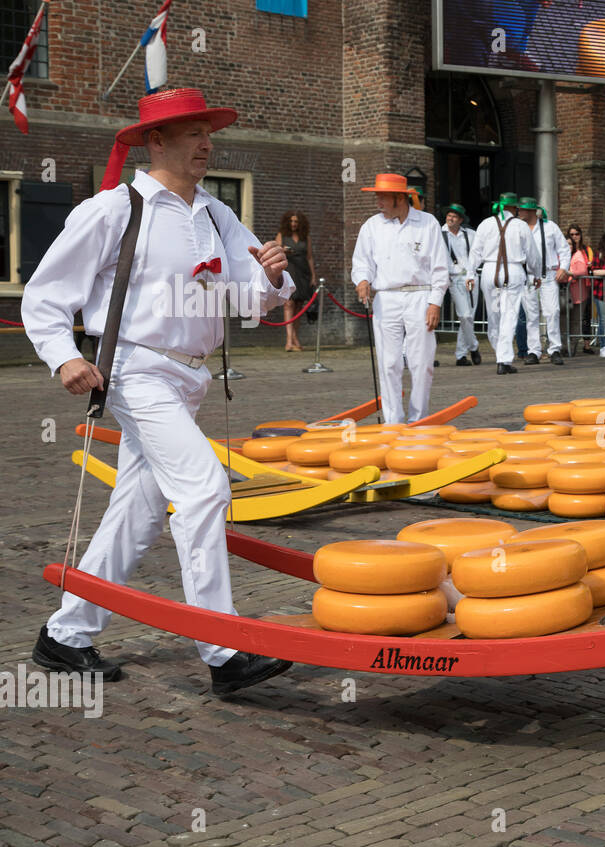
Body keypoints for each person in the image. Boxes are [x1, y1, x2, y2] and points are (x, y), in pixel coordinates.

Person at [23, 87, 295, 694]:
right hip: (135, 371)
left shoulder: (219, 214)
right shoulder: (115, 209)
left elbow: (248, 299)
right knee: (203, 486)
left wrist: (273, 277)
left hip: (191, 377)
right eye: (192, 133)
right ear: (155, 141)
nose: (206, 144)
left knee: (137, 511)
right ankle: (223, 649)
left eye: (209, 133)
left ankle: (64, 636)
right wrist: (65, 357)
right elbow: (45, 293)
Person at [351, 173, 450, 420]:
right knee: (389, 362)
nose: (378, 202)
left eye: (382, 197)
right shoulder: (371, 226)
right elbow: (362, 261)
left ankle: (418, 418)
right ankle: (393, 421)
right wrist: (362, 280)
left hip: (420, 295)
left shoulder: (428, 223)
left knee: (422, 362)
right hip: (386, 297)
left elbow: (440, 267)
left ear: (398, 198)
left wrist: (435, 302)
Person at [467, 192, 540, 374]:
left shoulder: (485, 224)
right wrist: (536, 273)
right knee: (509, 315)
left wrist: (470, 273)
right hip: (513, 270)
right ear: (514, 208)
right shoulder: (521, 226)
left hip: (489, 270)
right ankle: (503, 359)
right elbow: (532, 254)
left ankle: (501, 353)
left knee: (494, 316)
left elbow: (475, 251)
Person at [517, 197, 570, 365]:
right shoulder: (518, 229)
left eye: (522, 210)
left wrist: (563, 268)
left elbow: (564, 249)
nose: (519, 212)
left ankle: (554, 349)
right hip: (528, 276)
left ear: (532, 211)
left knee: (552, 311)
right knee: (531, 314)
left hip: (548, 275)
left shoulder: (550, 227)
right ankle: (534, 351)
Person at [441, 203, 480, 366]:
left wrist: (471, 274)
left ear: (461, 220)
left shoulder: (471, 234)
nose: (450, 218)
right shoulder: (439, 234)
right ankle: (474, 346)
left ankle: (461, 355)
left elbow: (478, 254)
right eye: (449, 215)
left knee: (469, 317)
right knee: (464, 315)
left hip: (471, 277)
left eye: (454, 216)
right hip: (454, 278)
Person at [275, 211, 315, 351]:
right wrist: (283, 250)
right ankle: (289, 340)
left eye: (296, 222)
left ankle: (295, 337)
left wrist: (313, 276)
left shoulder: (306, 237)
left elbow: (309, 257)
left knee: (298, 306)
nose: (293, 224)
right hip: (289, 271)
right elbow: (276, 252)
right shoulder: (282, 235)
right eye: (291, 221)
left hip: (303, 271)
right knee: (289, 303)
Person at [564, 224, 596, 354]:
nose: (575, 237)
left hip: (583, 287)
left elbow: (590, 266)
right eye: (572, 234)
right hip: (566, 290)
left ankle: (583, 345)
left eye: (577, 234)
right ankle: (563, 346)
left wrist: (588, 266)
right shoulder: (564, 250)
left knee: (583, 317)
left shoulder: (586, 250)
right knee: (565, 319)